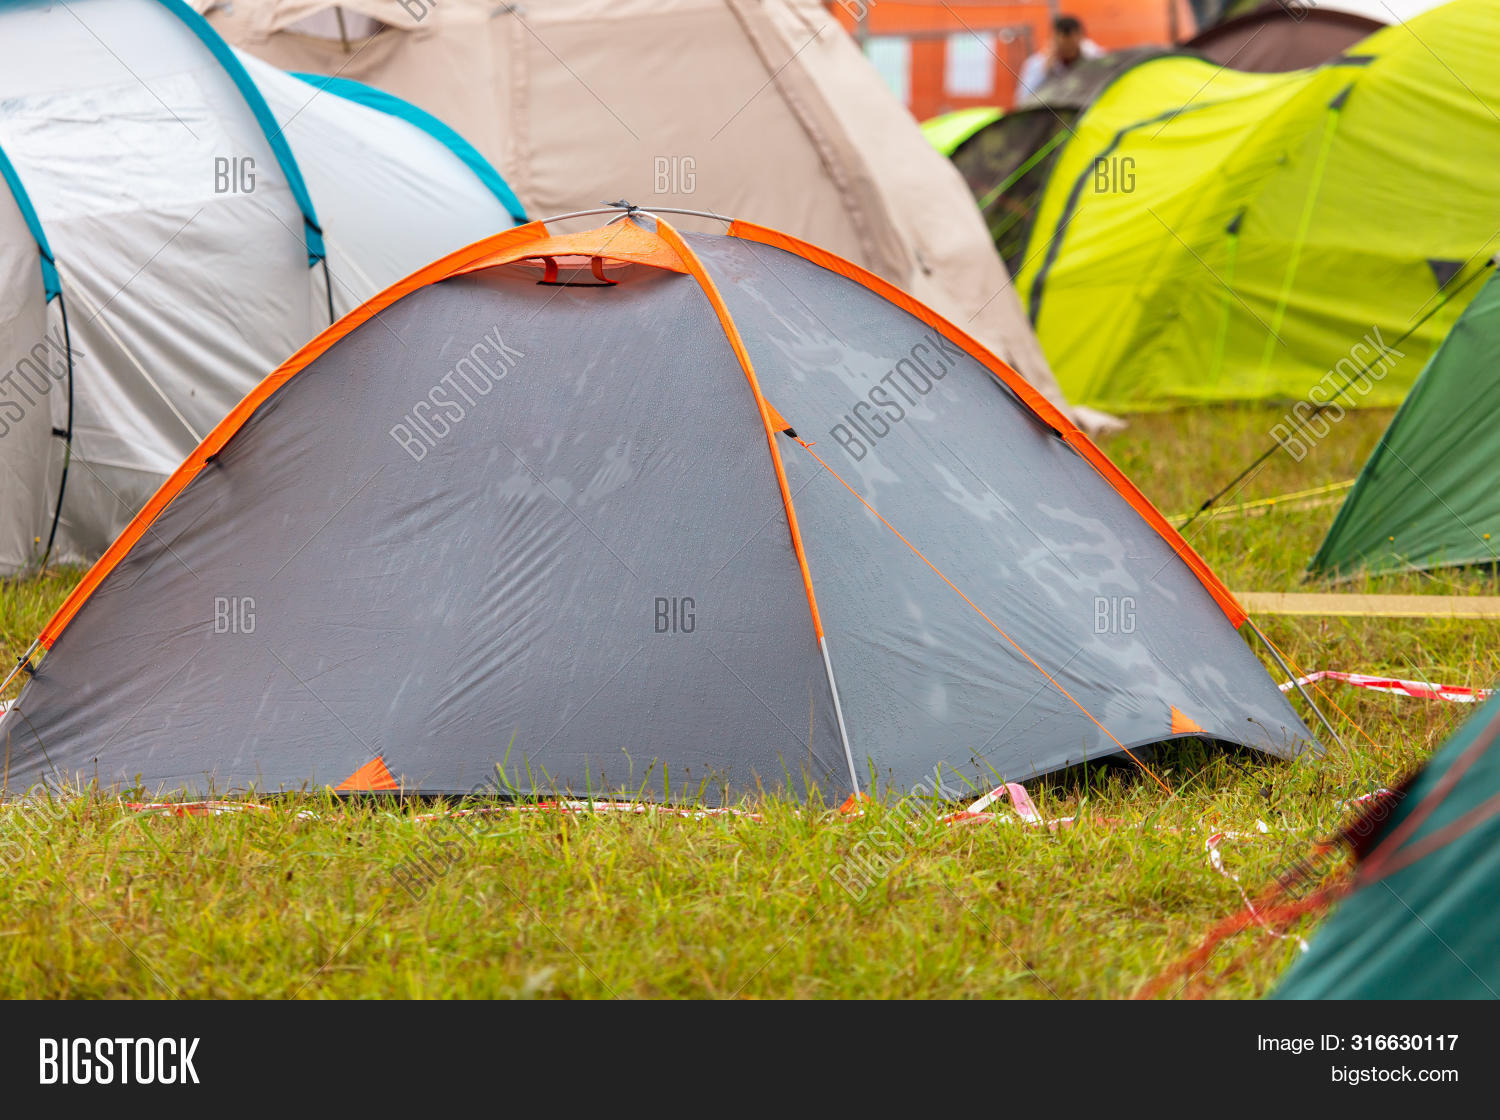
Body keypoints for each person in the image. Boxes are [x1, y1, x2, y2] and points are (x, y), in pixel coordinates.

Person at [1015, 16, 1103, 105]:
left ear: (1081, 38)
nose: (1068, 51)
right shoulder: (1036, 64)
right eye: (1064, 47)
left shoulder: (1097, 59)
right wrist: (1044, 71)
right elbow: (1023, 101)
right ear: (1054, 39)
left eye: (1071, 47)